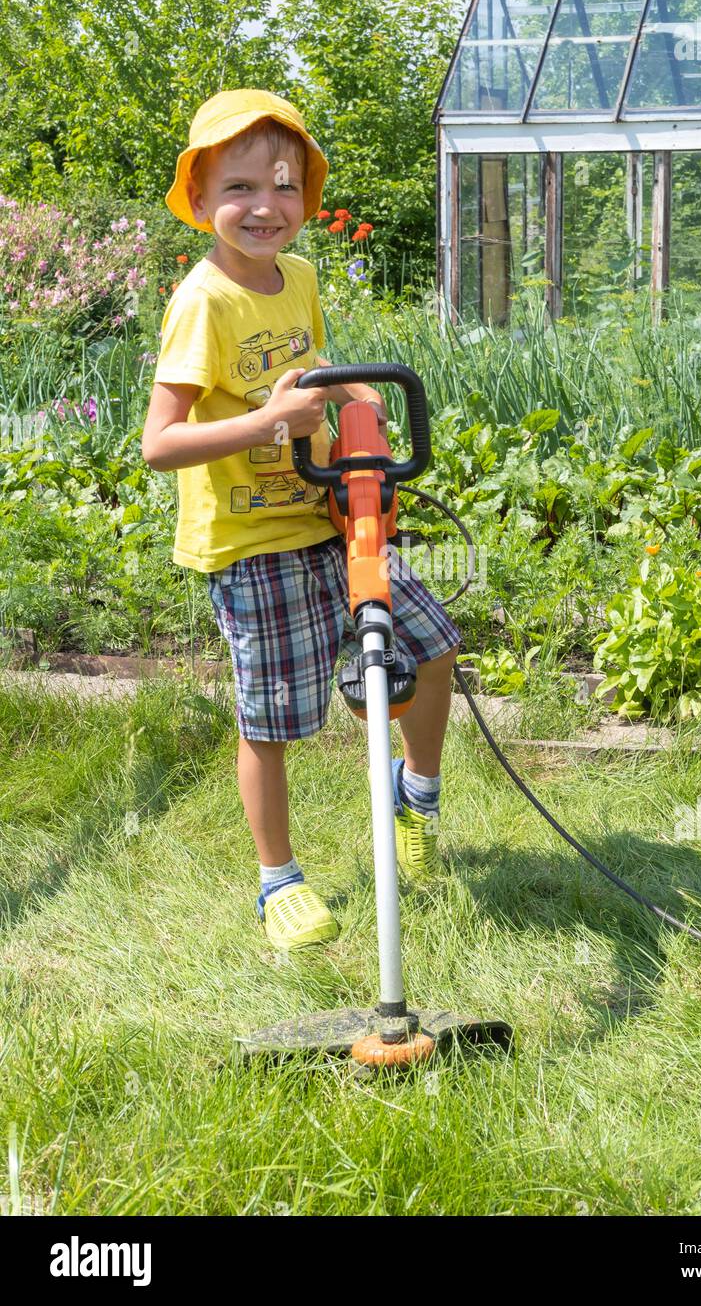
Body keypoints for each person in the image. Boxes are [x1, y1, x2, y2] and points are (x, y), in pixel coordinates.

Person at [141, 89, 461, 950]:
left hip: (332, 515)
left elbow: (313, 368)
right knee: (273, 721)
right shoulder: (202, 304)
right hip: (251, 548)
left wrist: (362, 405)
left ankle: (414, 796)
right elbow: (159, 444)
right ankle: (277, 882)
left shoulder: (304, 279)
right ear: (202, 201)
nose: (263, 205)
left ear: (306, 201)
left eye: (284, 186)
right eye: (240, 186)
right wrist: (266, 424)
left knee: (430, 650)